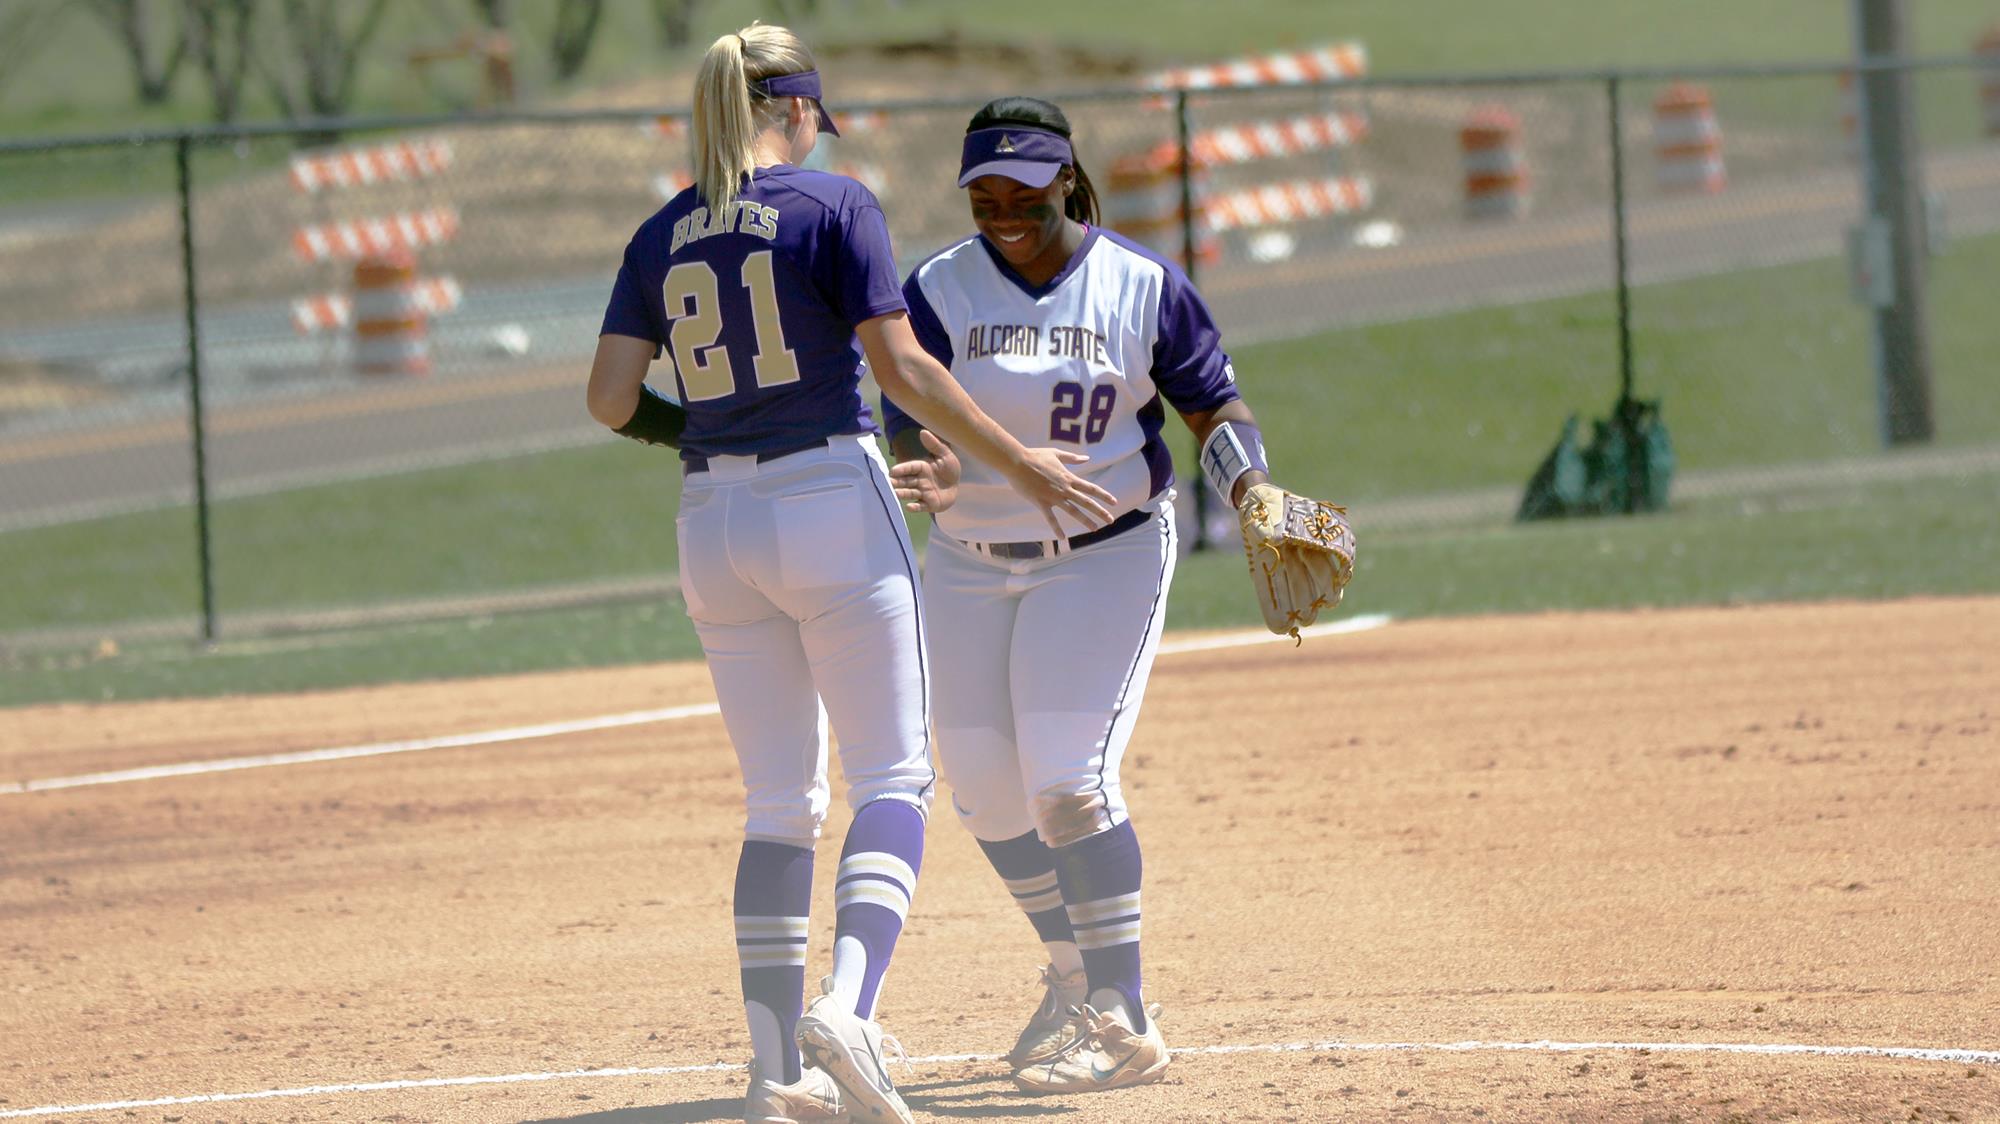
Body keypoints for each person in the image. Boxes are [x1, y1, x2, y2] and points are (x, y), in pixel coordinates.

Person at [585, 34, 1115, 1124]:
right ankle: (848, 1005)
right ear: (795, 108)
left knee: (779, 800)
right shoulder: (833, 205)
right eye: (817, 116)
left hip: (709, 517)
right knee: (893, 777)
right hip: (827, 495)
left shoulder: (661, 227)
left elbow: (605, 397)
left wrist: (700, 426)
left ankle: (772, 1071)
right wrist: (1018, 463)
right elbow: (900, 364)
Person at [881, 96, 1292, 1096]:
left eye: (1021, 189)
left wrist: (1251, 487)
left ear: (1066, 179)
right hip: (969, 557)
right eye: (983, 192)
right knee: (981, 790)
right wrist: (920, 465)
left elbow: (1211, 404)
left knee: (1067, 781)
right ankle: (1073, 973)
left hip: (1100, 553)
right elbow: (903, 403)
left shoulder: (1138, 285)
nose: (1002, 209)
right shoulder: (936, 287)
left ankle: (1122, 1014)